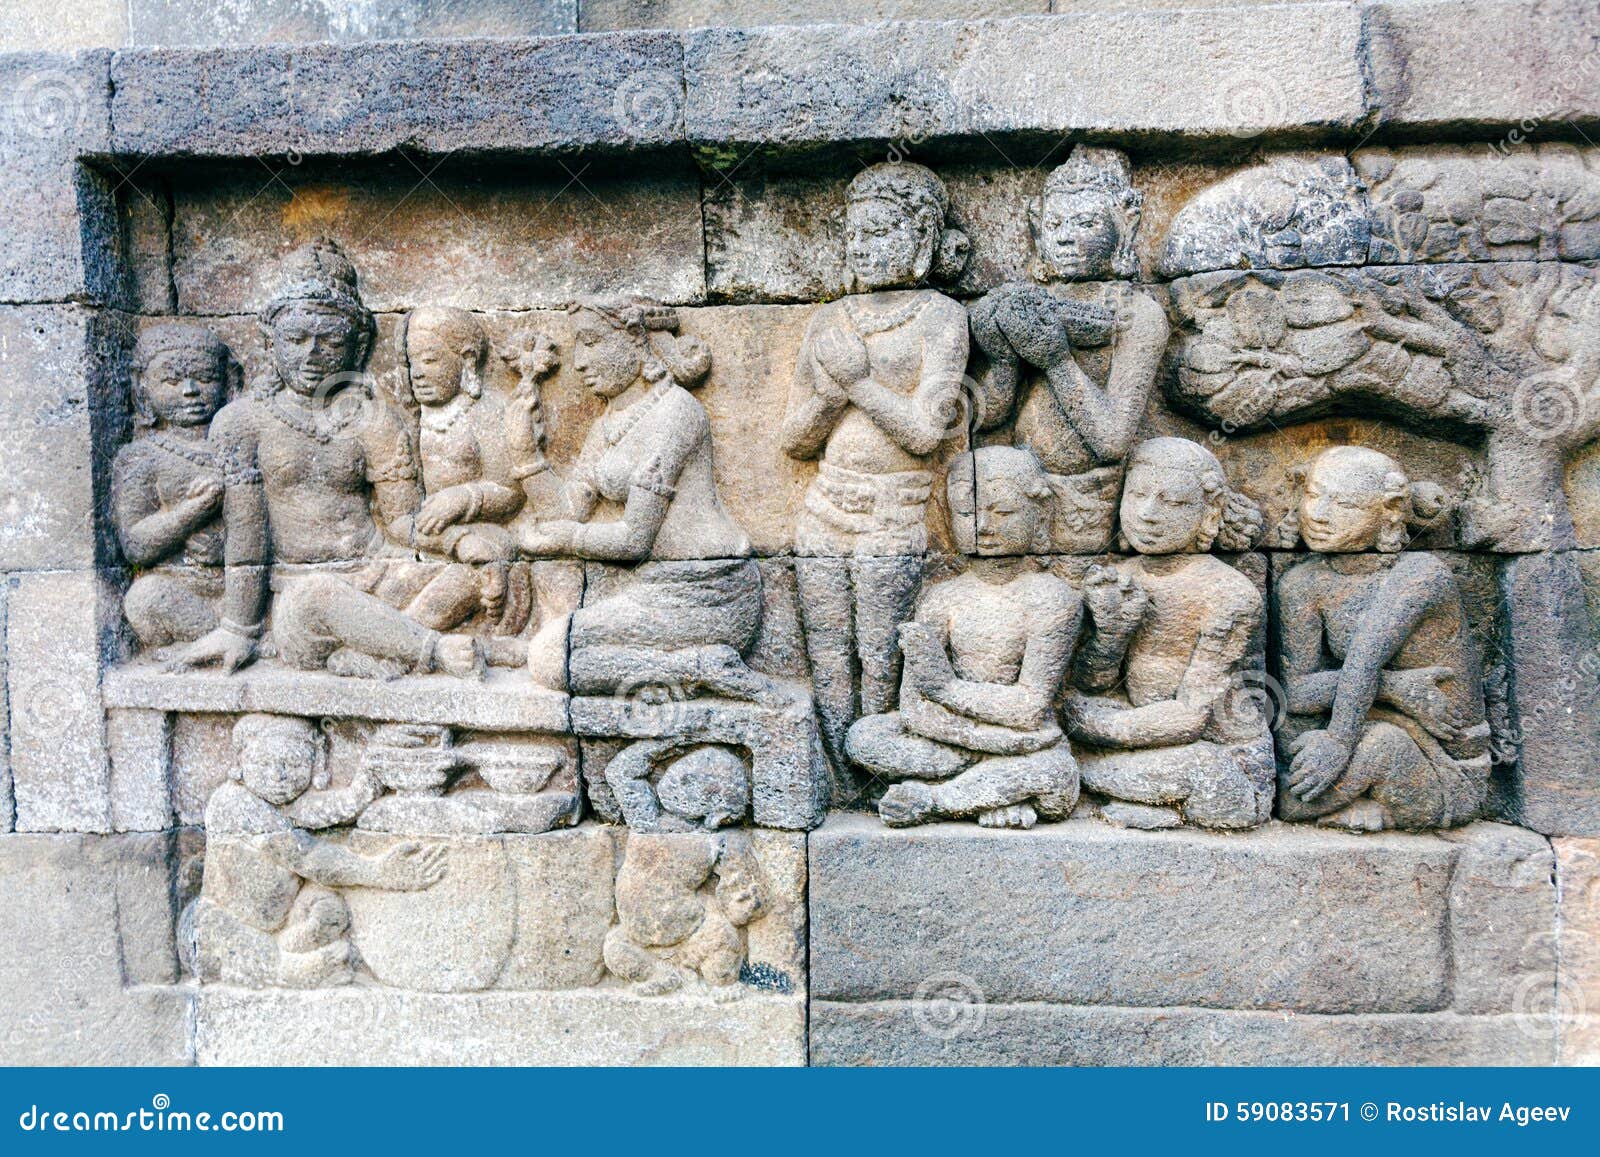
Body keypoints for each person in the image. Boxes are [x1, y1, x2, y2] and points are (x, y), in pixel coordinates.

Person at [171, 238, 480, 679]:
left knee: (471, 577)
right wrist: (238, 628)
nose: (312, 354)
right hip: (296, 593)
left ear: (355, 348)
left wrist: (459, 543)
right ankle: (428, 649)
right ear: (270, 343)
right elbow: (247, 536)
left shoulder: (373, 420)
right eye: (296, 338)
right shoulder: (243, 423)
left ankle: (369, 648)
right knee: (318, 596)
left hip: (377, 578)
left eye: (329, 340)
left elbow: (401, 524)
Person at [780, 162, 971, 792]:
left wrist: (859, 381)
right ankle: (841, 777)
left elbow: (925, 434)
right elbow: (795, 440)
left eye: (883, 231)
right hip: (826, 503)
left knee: (881, 648)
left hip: (895, 505)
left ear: (921, 241)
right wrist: (835, 393)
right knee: (828, 650)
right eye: (856, 234)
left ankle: (883, 767)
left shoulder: (940, 318)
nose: (866, 247)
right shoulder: (828, 321)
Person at [511, 297, 776, 703]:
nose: (580, 362)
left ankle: (701, 667)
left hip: (708, 593)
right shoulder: (608, 424)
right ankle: (694, 667)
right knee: (556, 653)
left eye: (592, 342)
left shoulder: (677, 413)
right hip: (653, 590)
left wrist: (562, 538)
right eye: (578, 346)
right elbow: (568, 510)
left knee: (551, 658)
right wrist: (525, 455)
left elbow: (635, 539)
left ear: (637, 341)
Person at [846, 447, 1082, 829]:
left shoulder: (1052, 598)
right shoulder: (942, 598)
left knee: (1056, 775)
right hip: (997, 744)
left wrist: (947, 689)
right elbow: (912, 706)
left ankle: (934, 799)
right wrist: (983, 742)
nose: (984, 526)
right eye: (968, 513)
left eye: (1003, 512)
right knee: (864, 738)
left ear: (1039, 516)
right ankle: (986, 790)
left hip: (1024, 742)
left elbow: (1028, 708)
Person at [1064, 438, 1275, 829]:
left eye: (1172, 502)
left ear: (1209, 513)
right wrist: (1111, 637)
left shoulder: (1229, 594)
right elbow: (1094, 685)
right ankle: (1145, 796)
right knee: (1071, 707)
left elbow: (1191, 717)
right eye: (1138, 495)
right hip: (1144, 731)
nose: (1148, 514)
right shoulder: (1122, 578)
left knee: (1200, 771)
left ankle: (1107, 781)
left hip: (1221, 757)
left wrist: (1100, 728)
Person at [1275, 446, 1489, 830]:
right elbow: (1296, 691)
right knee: (1290, 735)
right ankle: (1356, 801)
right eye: (1313, 495)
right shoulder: (1303, 584)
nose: (1318, 515)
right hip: (1370, 715)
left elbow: (1366, 656)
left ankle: (1378, 807)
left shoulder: (1421, 575)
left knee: (1362, 757)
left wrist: (1339, 743)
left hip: (1444, 763)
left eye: (1344, 504)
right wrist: (1395, 688)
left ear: (1388, 510)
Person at [968, 147, 1168, 552]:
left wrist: (1057, 361)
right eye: (1056, 223)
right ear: (1039, 229)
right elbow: (988, 418)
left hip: (1090, 498)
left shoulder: (1136, 314)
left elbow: (1112, 440)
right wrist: (1005, 356)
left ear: (1123, 228)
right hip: (1015, 495)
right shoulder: (1033, 303)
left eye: (1086, 223)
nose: (1065, 236)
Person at [192, 713, 447, 988]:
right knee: (227, 938)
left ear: (316, 765)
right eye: (264, 763)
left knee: (331, 912)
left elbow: (341, 805)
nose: (278, 776)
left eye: (295, 764)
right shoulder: (232, 803)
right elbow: (308, 857)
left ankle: (293, 947)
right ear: (240, 763)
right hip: (228, 925)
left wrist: (372, 763)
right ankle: (285, 969)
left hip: (282, 917)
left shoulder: (278, 805)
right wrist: (379, 872)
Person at [113, 323, 235, 651]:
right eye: (172, 380)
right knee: (144, 597)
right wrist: (191, 512)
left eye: (206, 378)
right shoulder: (141, 456)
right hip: (182, 592)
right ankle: (217, 642)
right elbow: (136, 545)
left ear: (228, 383)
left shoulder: (242, 444)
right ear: (142, 390)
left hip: (242, 593)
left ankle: (234, 637)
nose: (191, 389)